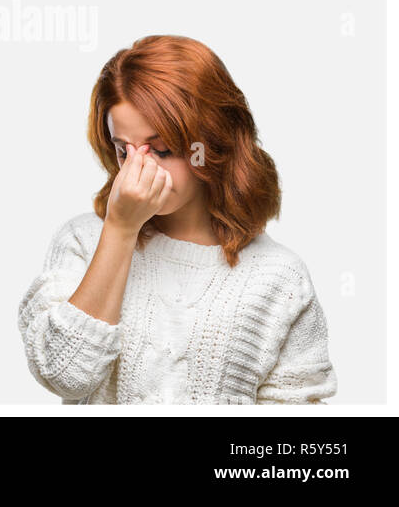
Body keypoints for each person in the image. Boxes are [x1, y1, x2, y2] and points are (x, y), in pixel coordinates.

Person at [18, 34, 336, 404]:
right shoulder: (82, 241)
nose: (138, 168)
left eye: (163, 150)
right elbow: (64, 374)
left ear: (213, 143)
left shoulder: (279, 276)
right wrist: (120, 231)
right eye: (124, 151)